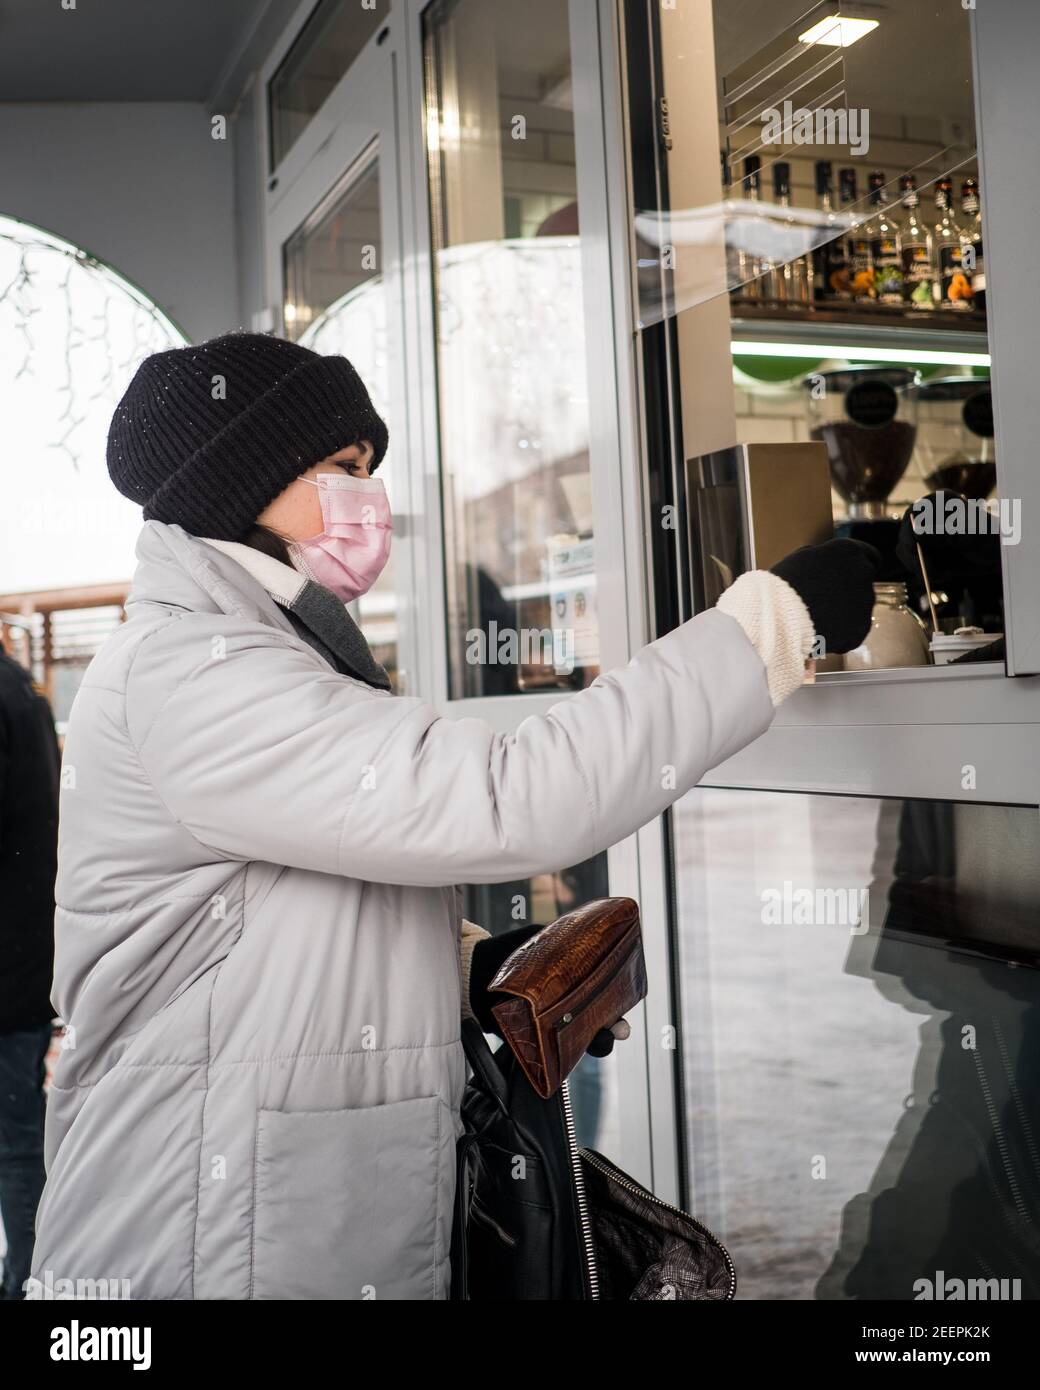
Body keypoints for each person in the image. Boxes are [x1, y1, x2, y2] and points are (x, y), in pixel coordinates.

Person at [29, 332, 877, 1300]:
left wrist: (460, 968)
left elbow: (274, 916)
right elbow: (510, 793)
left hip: (267, 1220)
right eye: (341, 467)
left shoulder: (251, 649)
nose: (368, 497)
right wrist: (766, 625)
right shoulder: (194, 672)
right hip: (203, 1239)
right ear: (240, 480)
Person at [0, 648, 59, 1299]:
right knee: (19, 1142)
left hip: (8, 977)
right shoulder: (22, 688)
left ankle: (29, 1286)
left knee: (15, 1148)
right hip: (25, 965)